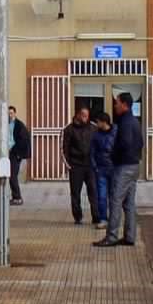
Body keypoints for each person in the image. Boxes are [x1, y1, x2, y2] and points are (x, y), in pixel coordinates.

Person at [96, 92, 144, 248]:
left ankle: (111, 236)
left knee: (115, 200)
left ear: (124, 104)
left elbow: (124, 143)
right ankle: (130, 236)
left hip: (123, 166)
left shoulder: (124, 122)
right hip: (134, 165)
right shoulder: (135, 121)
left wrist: (113, 156)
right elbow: (141, 143)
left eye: (117, 103)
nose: (115, 105)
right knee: (129, 203)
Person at [61, 106, 97, 225]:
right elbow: (64, 148)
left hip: (90, 165)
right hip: (76, 166)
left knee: (93, 191)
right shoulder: (69, 129)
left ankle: (96, 216)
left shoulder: (93, 128)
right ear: (77, 114)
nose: (85, 118)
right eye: (83, 115)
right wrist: (68, 164)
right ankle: (78, 217)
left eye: (87, 115)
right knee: (75, 193)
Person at [89, 111, 116, 231]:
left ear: (104, 122)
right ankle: (103, 219)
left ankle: (114, 219)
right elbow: (92, 152)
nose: (96, 123)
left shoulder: (116, 132)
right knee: (101, 195)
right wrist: (95, 167)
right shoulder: (96, 135)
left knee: (114, 196)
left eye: (98, 122)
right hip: (101, 170)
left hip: (114, 169)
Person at [6, 105, 30, 205]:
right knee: (11, 175)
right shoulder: (5, 124)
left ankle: (17, 197)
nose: (10, 115)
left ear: (15, 113)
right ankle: (15, 196)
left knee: (13, 175)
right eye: (8, 113)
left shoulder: (19, 125)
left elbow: (23, 140)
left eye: (11, 113)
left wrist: (17, 153)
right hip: (8, 152)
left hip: (15, 153)